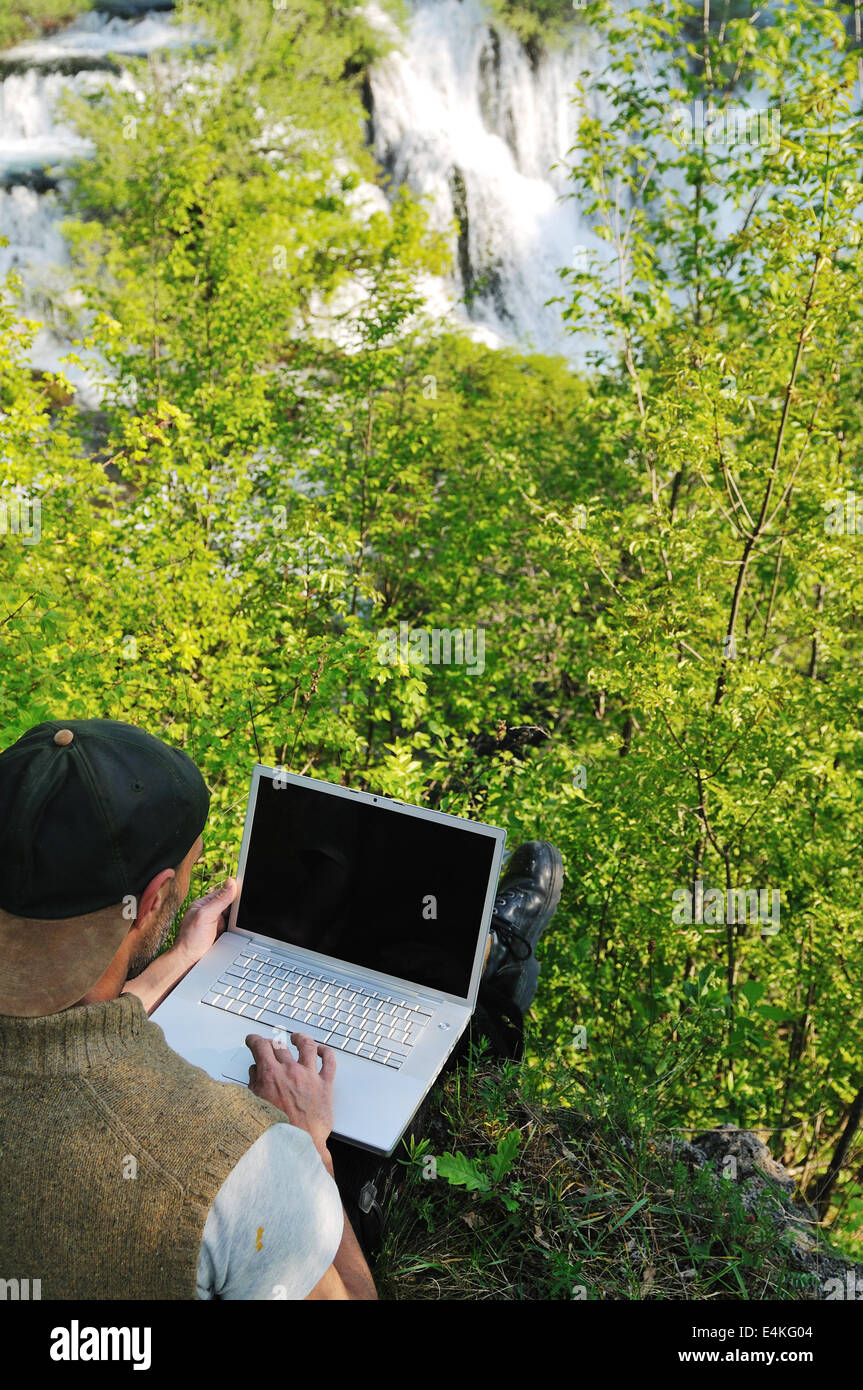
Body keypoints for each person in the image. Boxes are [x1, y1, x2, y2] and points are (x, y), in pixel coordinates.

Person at [0, 718, 562, 1300]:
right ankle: (496, 962)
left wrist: (183, 957)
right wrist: (304, 1147)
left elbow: (66, 1028)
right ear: (151, 901)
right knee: (466, 1029)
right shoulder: (233, 1160)